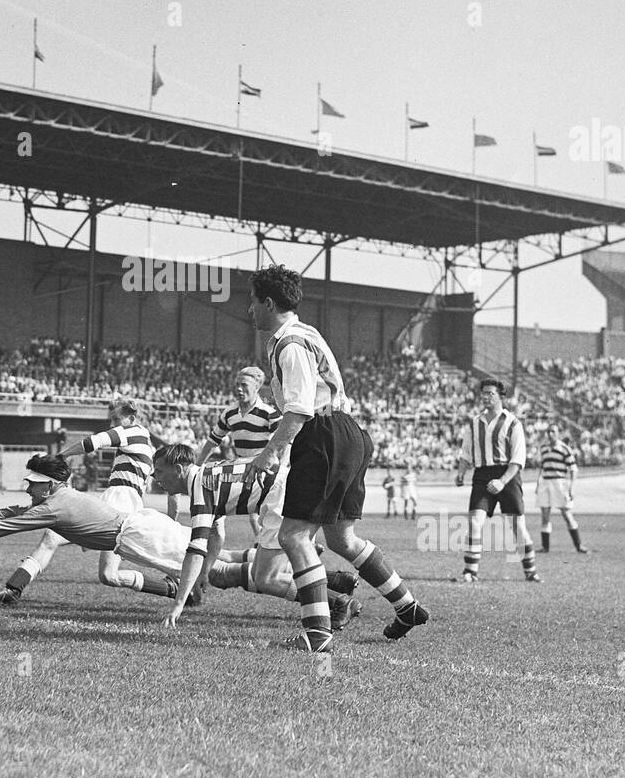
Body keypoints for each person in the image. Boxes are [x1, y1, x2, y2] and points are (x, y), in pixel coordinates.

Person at [244, 264, 429, 653]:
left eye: (253, 301)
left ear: (269, 302)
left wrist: (269, 453)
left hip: (323, 435)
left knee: (293, 535)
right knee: (342, 539)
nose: (250, 310)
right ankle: (407, 606)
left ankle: (317, 634)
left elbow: (298, 411)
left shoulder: (289, 343)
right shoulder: (308, 333)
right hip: (349, 433)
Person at [0, 455, 199, 607]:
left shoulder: (54, 506)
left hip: (141, 534)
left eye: (33, 483)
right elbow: (12, 513)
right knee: (216, 564)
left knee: (220, 568)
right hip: (134, 533)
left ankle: (179, 589)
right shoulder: (56, 499)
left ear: (50, 485)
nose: (28, 488)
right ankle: (12, 591)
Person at [0, 398, 169, 604]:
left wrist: (60, 456)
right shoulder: (140, 441)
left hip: (121, 513)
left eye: (115, 420)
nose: (112, 425)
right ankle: (13, 590)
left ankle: (173, 588)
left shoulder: (134, 432)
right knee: (58, 542)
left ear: (131, 419)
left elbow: (92, 443)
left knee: (109, 574)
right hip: (112, 507)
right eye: (110, 421)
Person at [153, 443, 360, 630]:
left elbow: (196, 550)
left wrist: (178, 603)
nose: (156, 477)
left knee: (266, 577)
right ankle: (336, 583)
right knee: (270, 569)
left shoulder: (201, 488)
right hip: (286, 490)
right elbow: (216, 533)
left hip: (282, 497)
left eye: (159, 471)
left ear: (178, 470)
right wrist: (205, 573)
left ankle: (338, 602)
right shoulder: (205, 475)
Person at [454, 378, 540, 583]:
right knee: (475, 521)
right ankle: (470, 572)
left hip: (508, 476)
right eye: (483, 393)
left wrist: (502, 481)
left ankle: (531, 571)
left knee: (517, 526)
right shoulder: (475, 423)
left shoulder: (513, 423)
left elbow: (518, 459)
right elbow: (466, 452)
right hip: (482, 474)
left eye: (490, 393)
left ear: (501, 397)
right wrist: (461, 473)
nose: (485, 397)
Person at [194, 365, 280, 537]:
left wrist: (280, 466)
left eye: (244, 385)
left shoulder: (268, 413)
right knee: (219, 509)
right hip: (241, 468)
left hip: (263, 469)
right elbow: (213, 440)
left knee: (261, 514)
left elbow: (285, 441)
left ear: (256, 387)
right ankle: (213, 545)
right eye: (237, 385)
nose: (239, 389)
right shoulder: (229, 413)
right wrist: (197, 465)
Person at [536, 423, 587, 553]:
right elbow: (542, 467)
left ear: (558, 433)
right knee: (545, 515)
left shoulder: (565, 449)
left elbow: (573, 469)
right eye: (548, 431)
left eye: (553, 431)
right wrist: (538, 483)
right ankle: (545, 547)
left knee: (566, 514)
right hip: (545, 483)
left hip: (559, 484)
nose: (550, 434)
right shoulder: (543, 448)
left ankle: (578, 545)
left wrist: (571, 488)